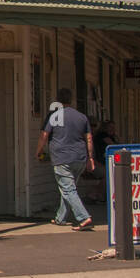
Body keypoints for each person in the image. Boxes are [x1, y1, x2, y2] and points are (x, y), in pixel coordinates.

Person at [35, 88, 96, 231]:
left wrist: (38, 151)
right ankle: (60, 218)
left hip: (62, 158)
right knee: (69, 188)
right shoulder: (82, 117)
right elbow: (89, 138)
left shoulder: (54, 115)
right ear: (71, 100)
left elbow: (44, 135)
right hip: (80, 158)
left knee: (68, 189)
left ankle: (83, 217)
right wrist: (90, 157)